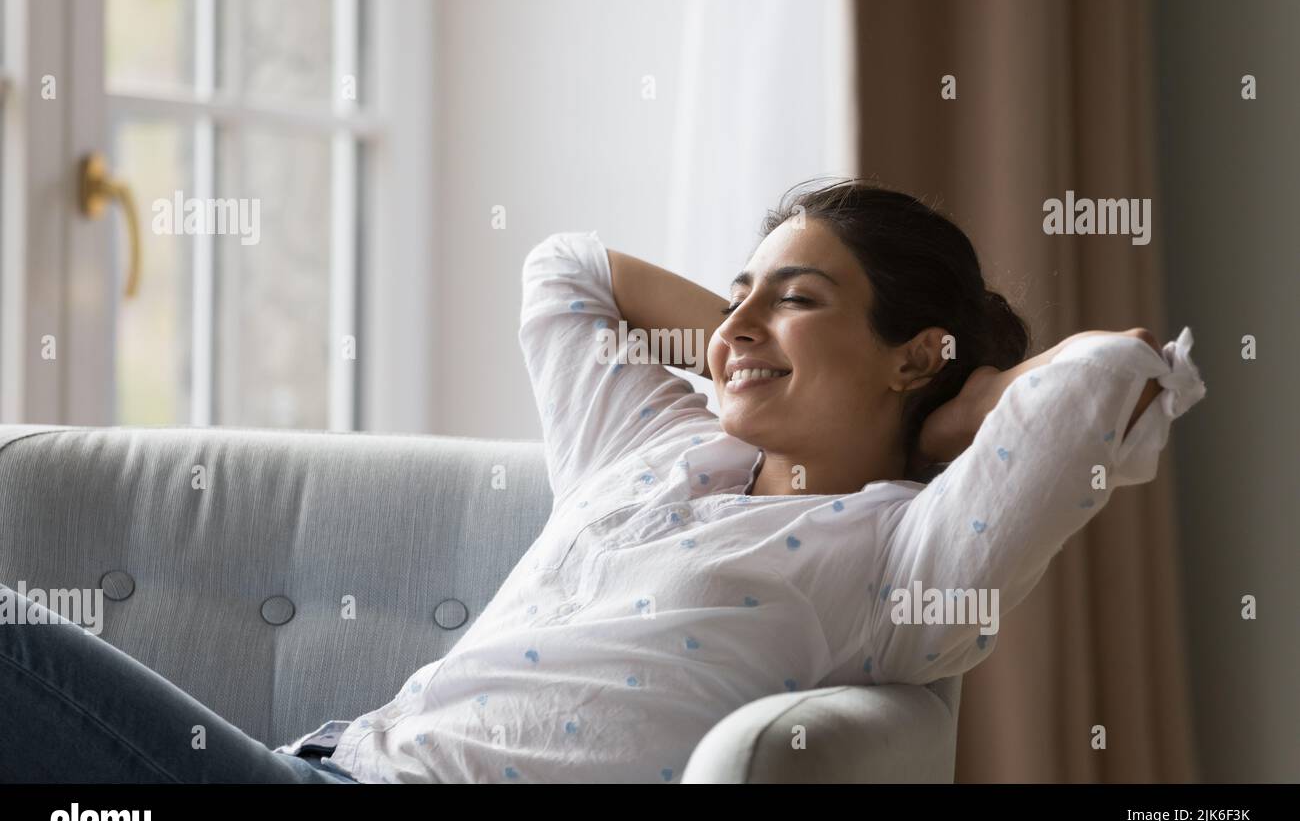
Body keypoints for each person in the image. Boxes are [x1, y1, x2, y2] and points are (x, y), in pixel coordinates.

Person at [0, 178, 1206, 784]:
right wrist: (747, 336)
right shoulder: (656, 442)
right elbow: (565, 270)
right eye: (736, 288)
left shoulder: (897, 558)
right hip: (325, 761)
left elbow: (1112, 382)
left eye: (796, 295)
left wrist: (954, 405)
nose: (734, 321)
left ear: (912, 353)